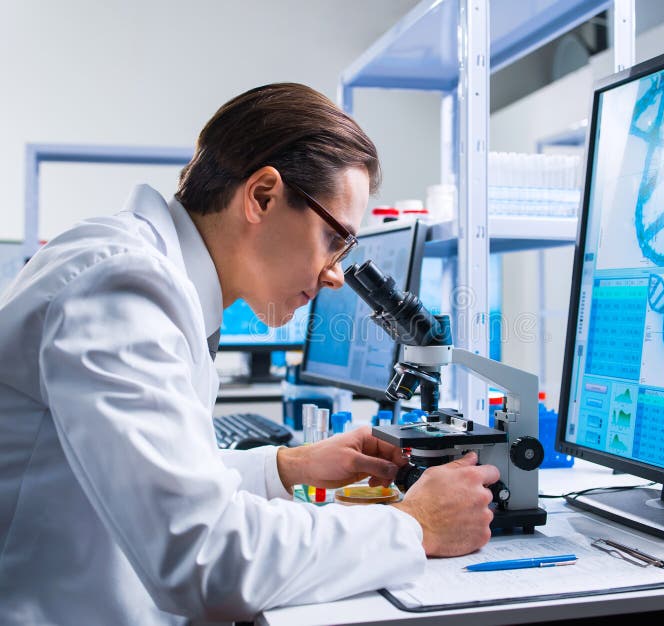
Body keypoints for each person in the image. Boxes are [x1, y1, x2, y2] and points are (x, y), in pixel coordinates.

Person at [0, 83, 499, 625]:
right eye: (336, 239)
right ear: (262, 195)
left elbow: (151, 479)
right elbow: (204, 560)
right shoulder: (121, 285)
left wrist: (286, 466)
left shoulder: (148, 276)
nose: (334, 274)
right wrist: (414, 523)